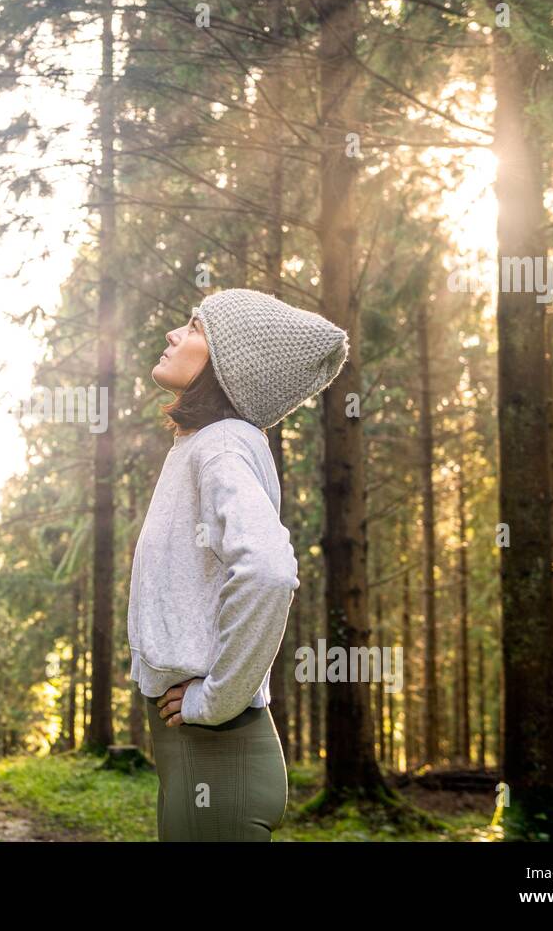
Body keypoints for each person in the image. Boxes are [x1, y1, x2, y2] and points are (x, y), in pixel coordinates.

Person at [127, 287, 348, 841]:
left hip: (219, 750)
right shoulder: (203, 444)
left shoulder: (222, 444)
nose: (175, 335)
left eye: (195, 327)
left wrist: (215, 699)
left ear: (229, 362)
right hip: (203, 752)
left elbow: (270, 572)